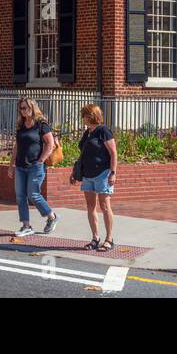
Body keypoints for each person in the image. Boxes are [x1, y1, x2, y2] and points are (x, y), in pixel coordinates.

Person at [71, 104, 118, 252]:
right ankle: (95, 238)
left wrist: (113, 172)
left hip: (103, 173)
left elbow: (113, 153)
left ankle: (109, 239)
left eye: (84, 115)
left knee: (105, 206)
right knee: (90, 207)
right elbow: (83, 154)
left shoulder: (103, 131)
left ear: (91, 115)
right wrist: (75, 173)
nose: (82, 118)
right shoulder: (87, 133)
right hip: (87, 174)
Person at [9, 96, 57, 237]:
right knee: (20, 196)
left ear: (32, 108)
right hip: (20, 165)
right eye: (21, 108)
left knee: (33, 194)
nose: (23, 111)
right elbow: (16, 146)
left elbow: (50, 144)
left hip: (35, 166)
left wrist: (41, 159)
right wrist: (11, 164)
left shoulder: (41, 124)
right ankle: (26, 226)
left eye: (26, 108)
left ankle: (52, 216)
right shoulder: (21, 125)